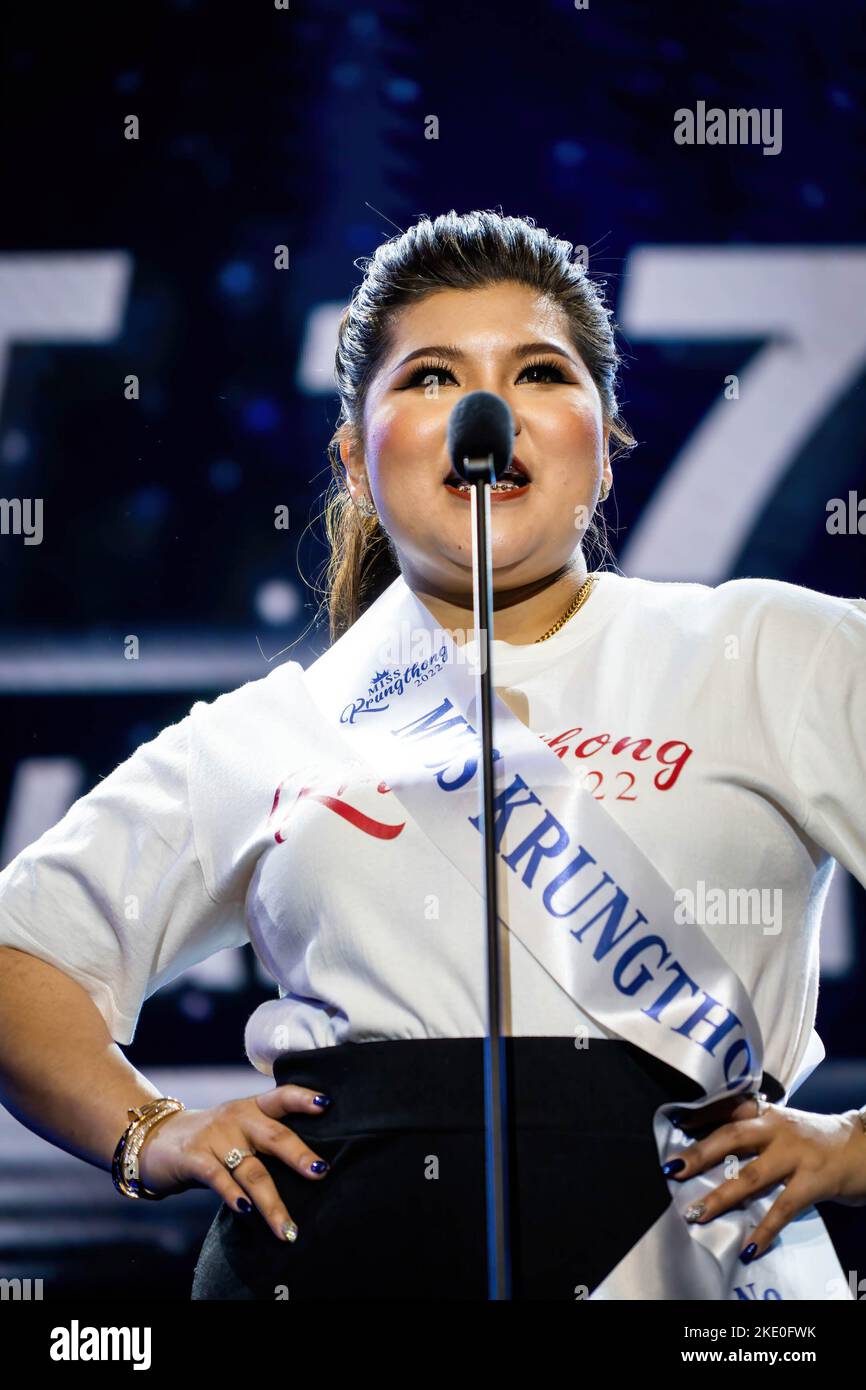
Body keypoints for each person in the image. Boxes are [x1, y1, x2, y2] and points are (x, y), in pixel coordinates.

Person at [1, 209, 865, 1302]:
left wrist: (849, 1143)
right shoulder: (275, 727)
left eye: (538, 371)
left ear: (604, 448)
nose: (484, 412)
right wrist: (149, 1133)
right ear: (356, 460)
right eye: (429, 377)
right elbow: (20, 954)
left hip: (694, 1288)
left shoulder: (770, 651)